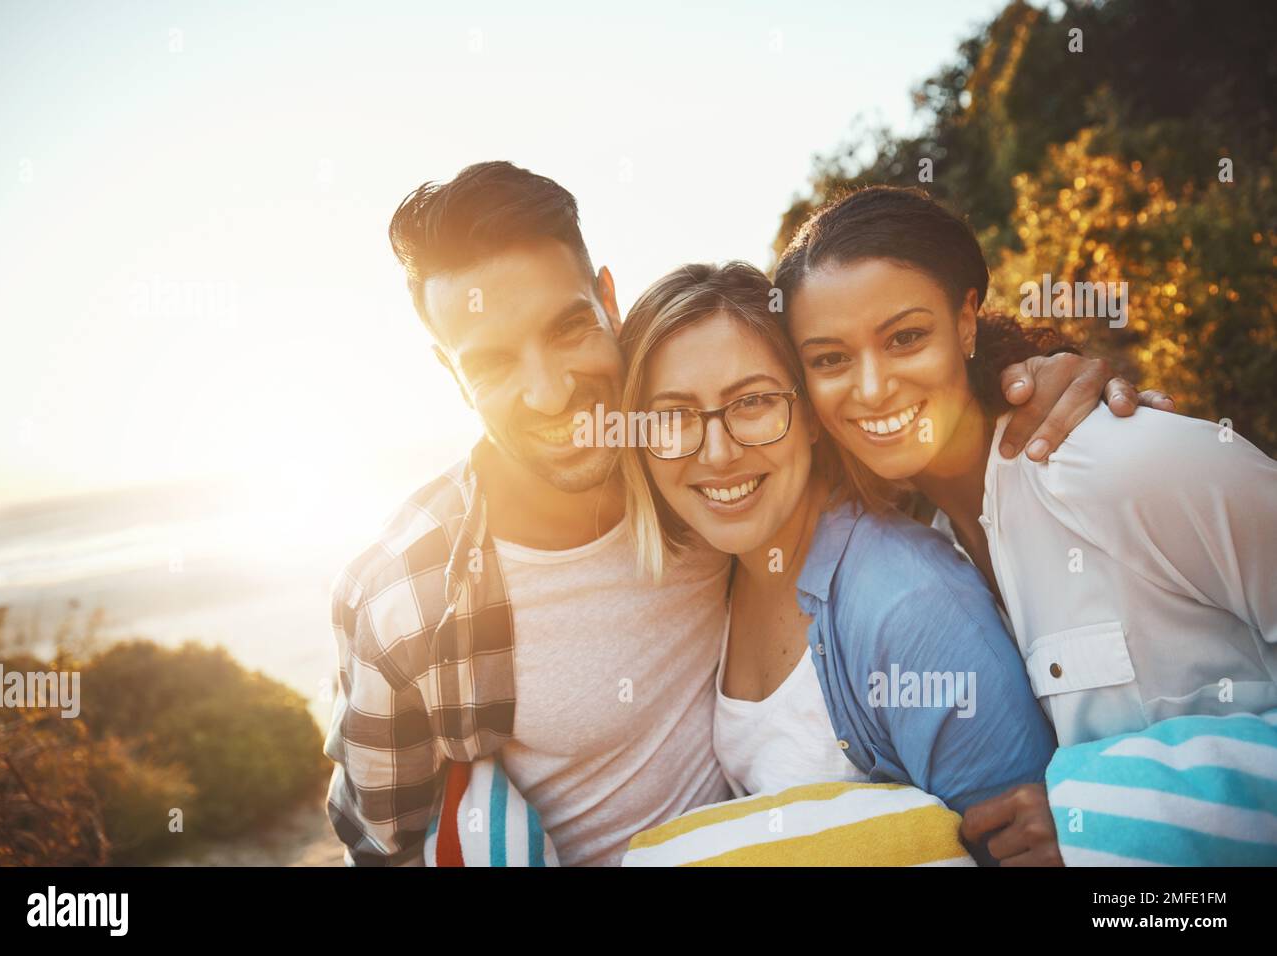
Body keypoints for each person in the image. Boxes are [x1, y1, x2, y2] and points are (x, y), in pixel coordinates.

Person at [324, 161, 1162, 866]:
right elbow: (386, 842)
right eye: (494, 361)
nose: (548, 390)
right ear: (446, 368)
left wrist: (1038, 381)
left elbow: (884, 404)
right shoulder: (408, 596)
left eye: (569, 327)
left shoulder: (698, 480)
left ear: (608, 299)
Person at [775, 184, 1277, 865]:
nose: (870, 388)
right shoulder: (927, 552)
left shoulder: (1123, 464)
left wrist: (1105, 813)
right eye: (831, 358)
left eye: (906, 337)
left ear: (966, 321)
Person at [618, 262, 1055, 844]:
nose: (717, 453)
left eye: (751, 402)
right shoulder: (716, 570)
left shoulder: (911, 608)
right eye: (673, 417)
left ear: (813, 417)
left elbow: (1030, 850)